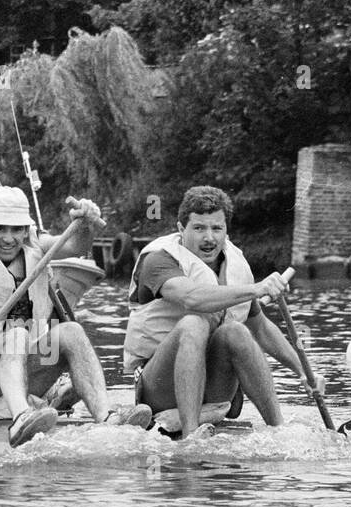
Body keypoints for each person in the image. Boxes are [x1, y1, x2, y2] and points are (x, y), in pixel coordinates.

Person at [0, 185, 151, 447]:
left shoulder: (34, 244)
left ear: (25, 229)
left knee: (71, 331)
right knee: (17, 333)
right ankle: (22, 417)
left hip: (20, 366)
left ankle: (106, 416)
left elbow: (77, 245)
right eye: (0, 228)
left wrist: (86, 222)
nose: (9, 238)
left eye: (16, 230)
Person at [122, 186, 312, 439]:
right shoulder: (158, 259)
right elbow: (191, 297)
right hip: (158, 386)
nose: (208, 238)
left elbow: (263, 329)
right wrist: (257, 289)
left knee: (236, 331)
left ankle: (279, 430)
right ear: (181, 229)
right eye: (199, 228)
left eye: (216, 228)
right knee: (194, 323)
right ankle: (191, 435)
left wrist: (305, 373)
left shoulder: (235, 262)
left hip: (214, 387)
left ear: (226, 231)